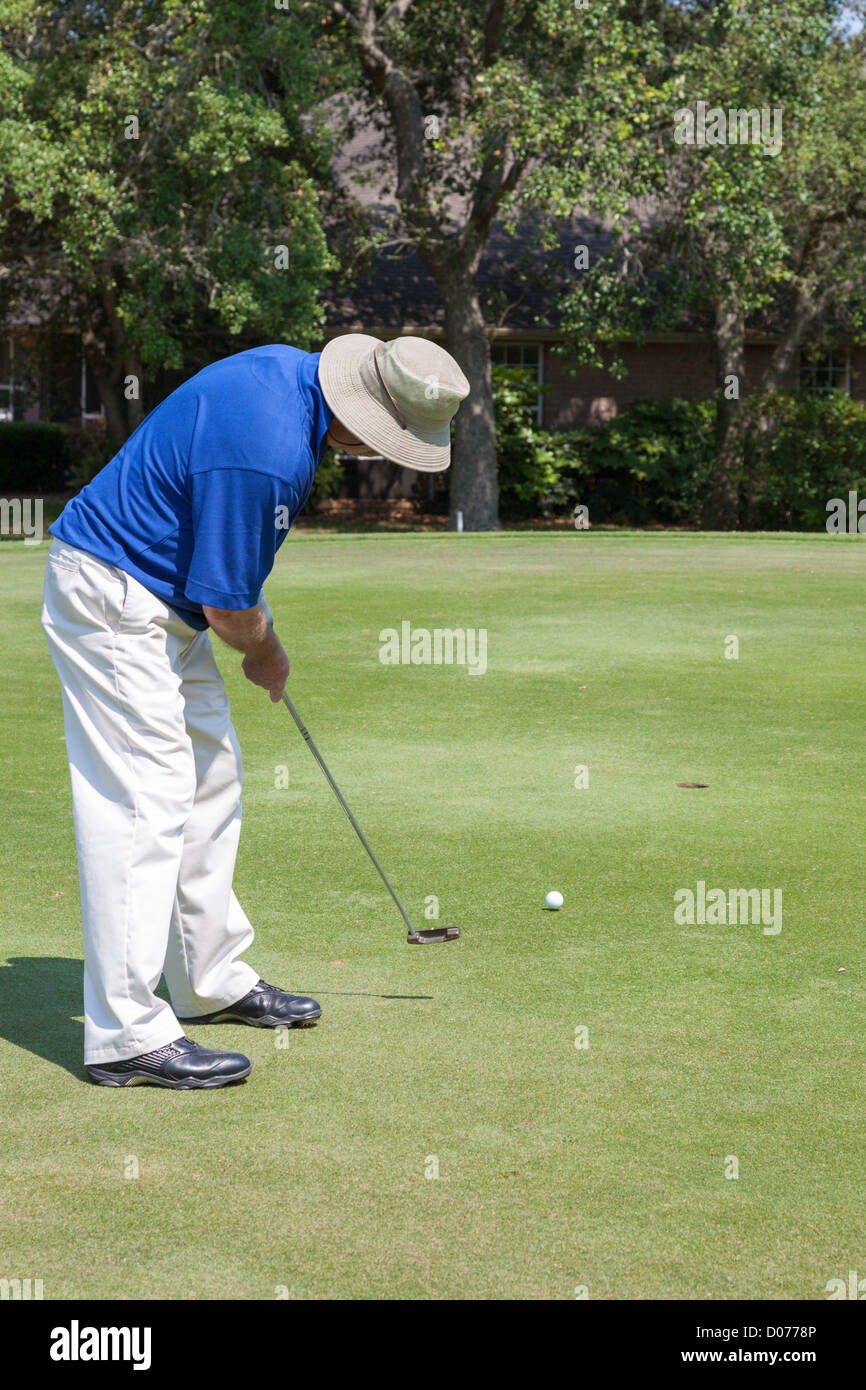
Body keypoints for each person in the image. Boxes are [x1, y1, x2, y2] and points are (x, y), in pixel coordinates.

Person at [41, 333, 470, 1089]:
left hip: (162, 600)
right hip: (113, 593)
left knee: (211, 776)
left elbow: (222, 562)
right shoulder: (271, 448)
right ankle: (127, 1035)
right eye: (385, 437)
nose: (378, 451)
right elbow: (230, 605)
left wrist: (250, 630)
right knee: (146, 798)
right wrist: (263, 651)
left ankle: (208, 979)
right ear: (361, 415)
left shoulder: (286, 376)